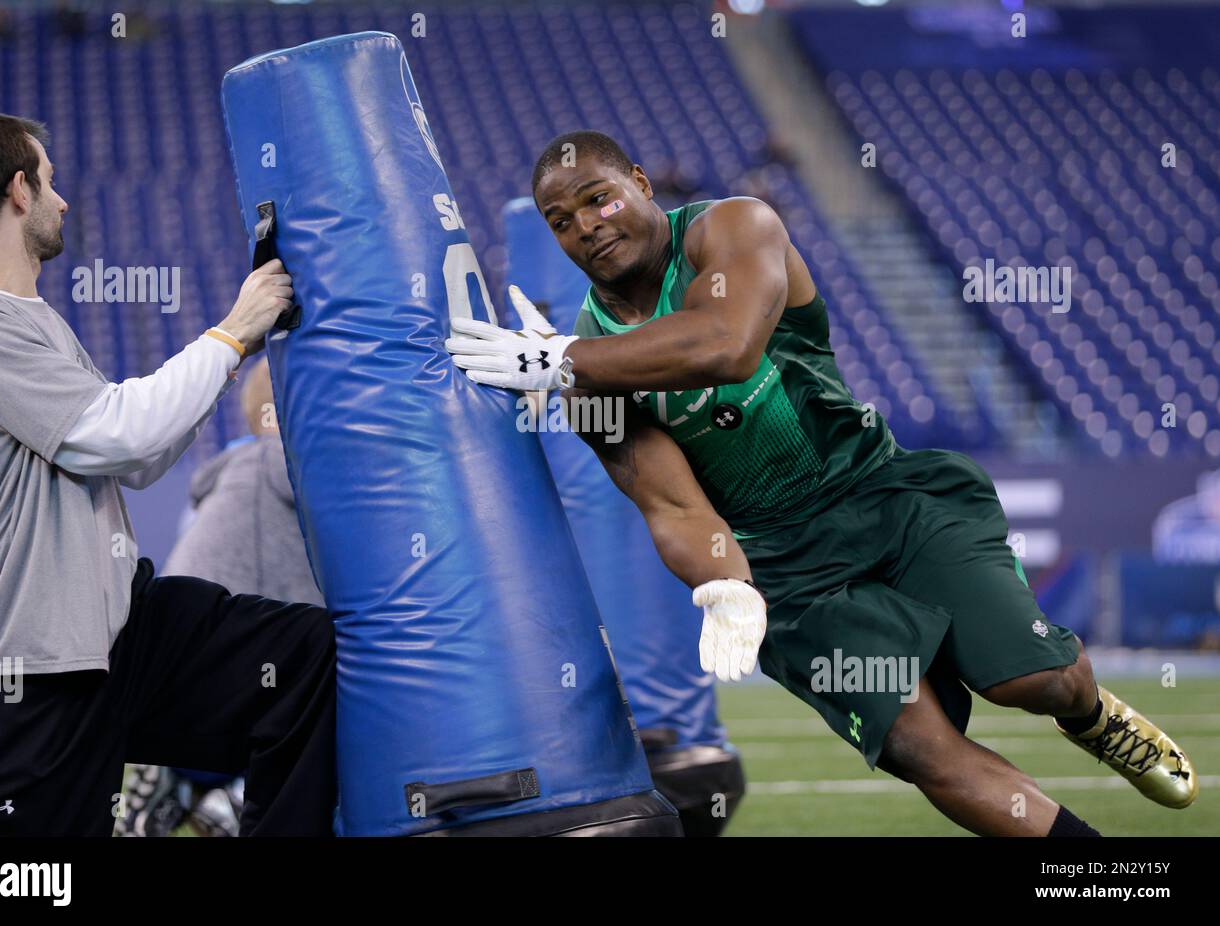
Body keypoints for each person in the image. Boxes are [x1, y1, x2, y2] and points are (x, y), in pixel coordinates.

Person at [445, 130, 1199, 836]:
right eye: (560, 220)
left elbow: (728, 344)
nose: (586, 226)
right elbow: (669, 499)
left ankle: (1094, 715)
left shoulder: (732, 227)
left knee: (1034, 682)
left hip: (883, 498)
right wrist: (724, 585)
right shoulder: (582, 367)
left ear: (641, 184)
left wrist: (562, 360)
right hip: (788, 571)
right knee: (919, 750)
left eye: (599, 198)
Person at [0, 109, 336, 835]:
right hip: (32, 665)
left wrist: (222, 358)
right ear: (19, 190)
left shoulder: (34, 318)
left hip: (118, 630)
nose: (63, 200)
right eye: (50, 182)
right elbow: (116, 433)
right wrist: (233, 334)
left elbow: (139, 453)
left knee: (306, 659)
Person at [117, 358, 323, 836]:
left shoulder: (230, 473)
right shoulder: (286, 467)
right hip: (222, 674)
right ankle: (235, 798)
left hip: (162, 671)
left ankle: (192, 785)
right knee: (328, 681)